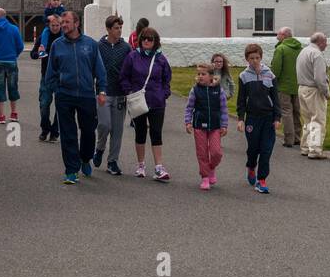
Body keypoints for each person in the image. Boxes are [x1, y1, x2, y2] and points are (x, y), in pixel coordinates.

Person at [45, 10, 107, 185]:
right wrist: (57, 89)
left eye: (66, 22)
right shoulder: (57, 45)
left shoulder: (91, 44)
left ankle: (85, 158)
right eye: (62, 22)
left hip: (86, 95)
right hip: (65, 96)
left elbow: (99, 70)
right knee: (68, 134)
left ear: (76, 23)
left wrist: (101, 90)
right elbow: (51, 72)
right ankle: (71, 170)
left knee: (88, 131)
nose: (63, 25)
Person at [119, 26, 172, 180]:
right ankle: (141, 165)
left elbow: (166, 78)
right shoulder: (132, 56)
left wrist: (164, 94)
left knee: (156, 133)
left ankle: (158, 167)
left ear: (155, 41)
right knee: (140, 133)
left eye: (150, 39)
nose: (147, 41)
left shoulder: (161, 58)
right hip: (138, 101)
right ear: (140, 40)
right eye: (144, 38)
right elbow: (124, 76)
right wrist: (129, 91)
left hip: (156, 102)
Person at [236, 43, 282, 193]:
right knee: (253, 149)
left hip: (268, 118)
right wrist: (241, 119)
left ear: (261, 57)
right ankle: (251, 167)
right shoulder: (243, 76)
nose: (255, 61)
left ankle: (261, 180)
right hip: (252, 119)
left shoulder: (270, 74)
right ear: (247, 59)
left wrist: (277, 118)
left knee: (266, 149)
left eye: (257, 57)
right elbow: (241, 100)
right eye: (251, 58)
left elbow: (275, 98)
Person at [94, 14, 130, 174]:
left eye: (121, 27)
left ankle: (112, 161)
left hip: (120, 94)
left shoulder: (126, 48)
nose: (119, 31)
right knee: (104, 125)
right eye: (116, 28)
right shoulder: (99, 46)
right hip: (103, 93)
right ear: (108, 29)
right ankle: (100, 148)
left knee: (117, 130)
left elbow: (132, 68)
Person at [185, 62, 229, 189]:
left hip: (215, 126)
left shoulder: (218, 90)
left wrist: (224, 125)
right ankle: (205, 177)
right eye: (198, 74)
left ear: (211, 76)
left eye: (203, 74)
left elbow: (224, 108)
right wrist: (188, 122)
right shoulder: (195, 90)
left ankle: (211, 168)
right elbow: (189, 108)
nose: (200, 76)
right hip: (199, 126)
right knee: (202, 152)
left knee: (216, 153)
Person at [296, 32, 330, 158]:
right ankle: (315, 150)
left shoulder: (303, 52)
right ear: (320, 42)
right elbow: (320, 78)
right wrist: (326, 92)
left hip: (302, 88)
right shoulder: (317, 55)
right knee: (317, 120)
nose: (326, 45)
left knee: (307, 120)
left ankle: (305, 146)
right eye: (325, 42)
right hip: (314, 90)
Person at [271, 27, 303, 147]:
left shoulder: (281, 49)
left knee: (286, 112)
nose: (277, 36)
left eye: (278, 34)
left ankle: (288, 139)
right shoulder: (300, 49)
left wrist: (273, 82)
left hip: (284, 86)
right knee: (296, 112)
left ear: (284, 35)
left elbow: (276, 69)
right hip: (298, 84)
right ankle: (297, 137)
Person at [36, 12, 64, 142]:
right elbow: (33, 54)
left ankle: (55, 131)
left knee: (61, 106)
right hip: (46, 76)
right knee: (44, 104)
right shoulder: (44, 36)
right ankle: (45, 128)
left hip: (61, 77)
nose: (55, 28)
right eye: (53, 25)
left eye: (57, 25)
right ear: (49, 25)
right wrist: (37, 53)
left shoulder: (65, 38)